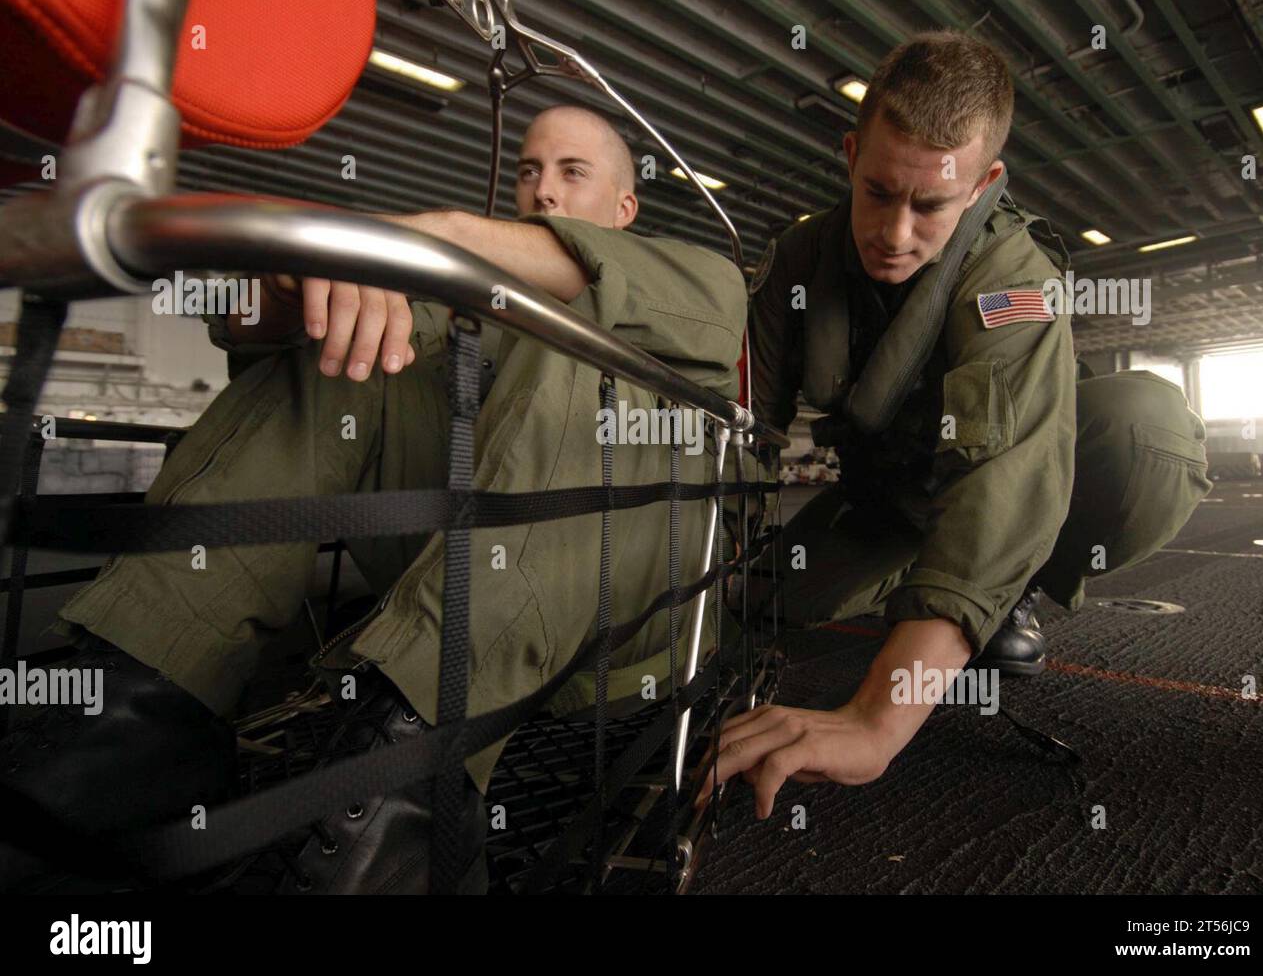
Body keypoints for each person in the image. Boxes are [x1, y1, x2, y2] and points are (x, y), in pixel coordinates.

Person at [0, 105, 748, 893]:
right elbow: (240, 320)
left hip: (617, 626)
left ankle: (404, 778)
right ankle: (137, 716)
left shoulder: (695, 279)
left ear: (625, 207)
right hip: (461, 580)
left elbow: (716, 309)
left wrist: (427, 237)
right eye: (528, 171)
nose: (543, 191)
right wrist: (305, 282)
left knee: (582, 362)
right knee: (343, 355)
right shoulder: (472, 306)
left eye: (572, 172)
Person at [704, 32, 1211, 819]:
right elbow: (739, 441)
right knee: (756, 608)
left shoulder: (1015, 282)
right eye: (878, 192)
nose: (894, 234)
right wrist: (701, 576)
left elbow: (1006, 476)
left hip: (1007, 491)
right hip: (888, 504)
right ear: (849, 155)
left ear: (983, 184)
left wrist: (877, 718)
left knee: (1150, 431)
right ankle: (931, 590)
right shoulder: (797, 261)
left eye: (930, 204)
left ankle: (1008, 593)